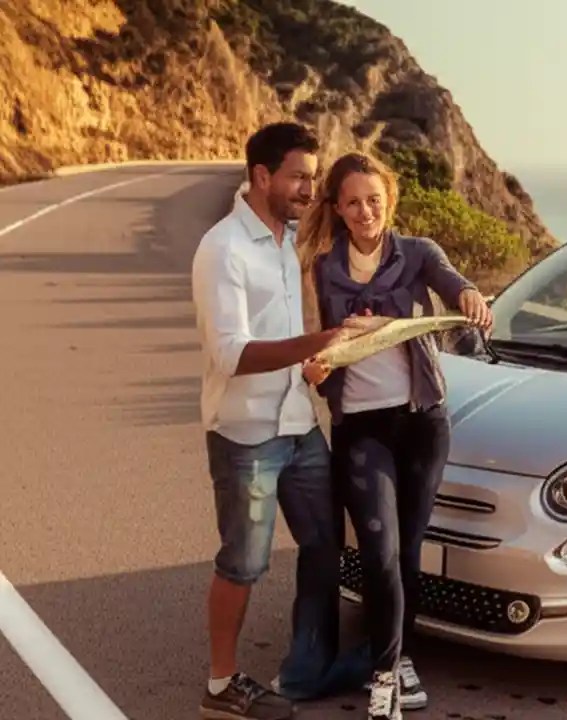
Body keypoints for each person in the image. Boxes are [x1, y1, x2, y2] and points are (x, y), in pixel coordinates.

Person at [295, 151, 491, 720]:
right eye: (352, 202)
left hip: (422, 421)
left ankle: (400, 657)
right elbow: (315, 341)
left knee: (407, 548)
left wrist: (470, 299)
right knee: (378, 552)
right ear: (336, 207)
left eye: (374, 200)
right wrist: (314, 367)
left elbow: (454, 286)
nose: (365, 212)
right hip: (361, 426)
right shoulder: (323, 266)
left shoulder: (417, 256)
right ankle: (384, 675)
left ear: (391, 200)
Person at [191, 123, 374, 719]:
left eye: (312, 176)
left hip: (299, 424)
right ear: (261, 176)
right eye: (298, 175)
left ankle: (309, 662)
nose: (308, 187)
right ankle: (221, 685)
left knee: (324, 543)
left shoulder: (292, 240)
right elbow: (233, 354)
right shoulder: (223, 250)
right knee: (243, 562)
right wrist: (317, 340)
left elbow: (366, 230)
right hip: (245, 434)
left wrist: (322, 357)